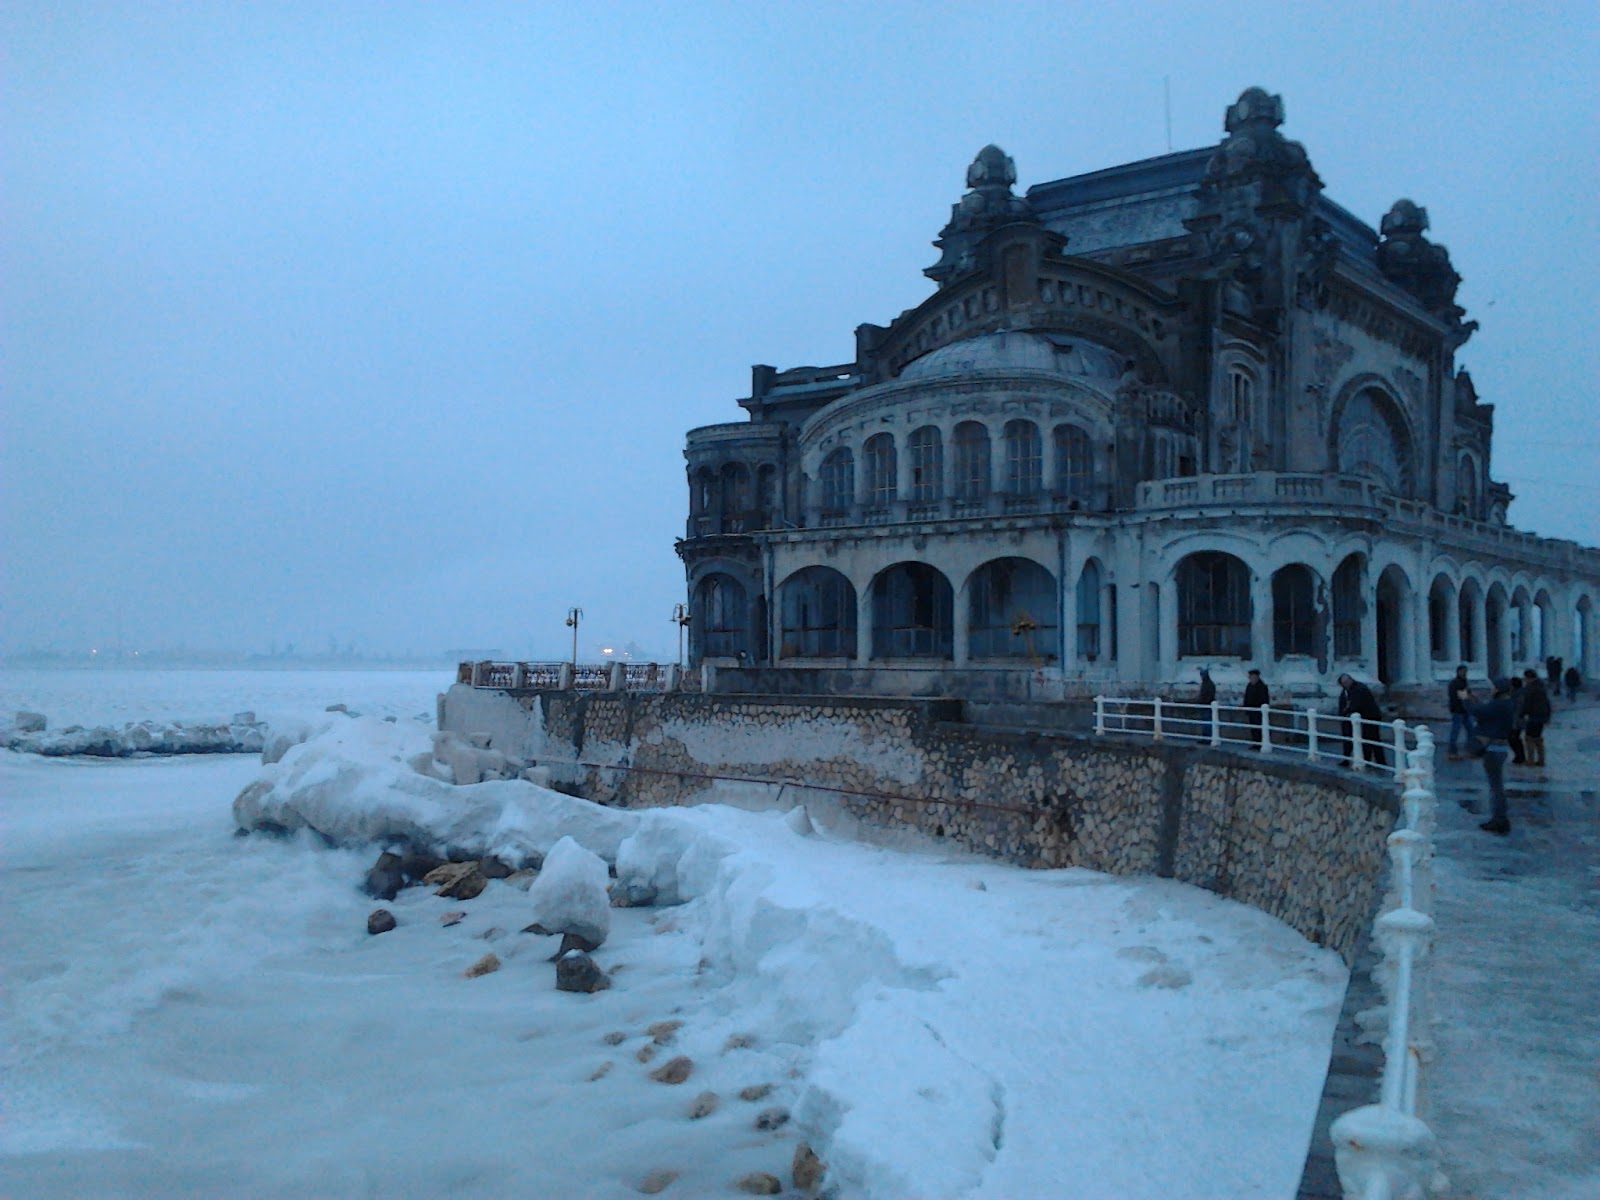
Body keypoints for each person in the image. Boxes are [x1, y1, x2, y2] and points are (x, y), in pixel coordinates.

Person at [1468, 680, 1518, 835]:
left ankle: (1499, 819)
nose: (1492, 690)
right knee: (1496, 785)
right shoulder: (1507, 704)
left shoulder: (1499, 704)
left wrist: (1465, 699)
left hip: (1493, 748)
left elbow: (1478, 712)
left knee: (1496, 787)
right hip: (1500, 747)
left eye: (1494, 687)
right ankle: (1499, 817)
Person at [1337, 673, 1387, 768]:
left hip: (1370, 716)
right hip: (1357, 718)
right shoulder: (1347, 690)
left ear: (1351, 680)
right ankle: (1350, 759)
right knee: (1352, 738)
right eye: (1343, 683)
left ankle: (1377, 761)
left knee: (1372, 739)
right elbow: (1344, 703)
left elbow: (1357, 704)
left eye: (1346, 682)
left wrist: (1346, 712)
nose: (1345, 684)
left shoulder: (1359, 689)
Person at [1519, 668, 1552, 768]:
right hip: (1542, 715)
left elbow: (1527, 703)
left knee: (1529, 738)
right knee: (1538, 738)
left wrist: (1522, 713)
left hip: (1534, 715)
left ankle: (1530, 760)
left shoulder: (1530, 688)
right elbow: (1547, 703)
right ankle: (1541, 760)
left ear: (1528, 677)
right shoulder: (1541, 686)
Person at [1445, 665, 1475, 759]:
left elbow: (1466, 695)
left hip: (1462, 710)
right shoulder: (1457, 683)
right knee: (1456, 730)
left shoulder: (1462, 682)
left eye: (1466, 672)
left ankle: (1469, 748)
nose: (1465, 673)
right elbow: (1462, 697)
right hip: (1458, 710)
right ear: (1458, 672)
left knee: (1470, 730)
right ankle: (1453, 750)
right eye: (1463, 671)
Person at [1241, 668, 1270, 747]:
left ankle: (1260, 743)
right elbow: (1246, 697)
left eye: (1252, 676)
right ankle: (1255, 742)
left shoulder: (1262, 686)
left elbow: (1264, 699)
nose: (1251, 678)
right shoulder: (1249, 686)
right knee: (1253, 728)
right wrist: (1246, 707)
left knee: (1259, 728)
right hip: (1251, 711)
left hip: (1258, 711)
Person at [1506, 676, 1527, 765]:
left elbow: (1517, 710)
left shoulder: (1518, 695)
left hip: (1516, 721)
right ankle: (1519, 756)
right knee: (1514, 739)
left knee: (1513, 738)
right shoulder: (1514, 694)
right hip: (1515, 721)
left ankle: (1520, 757)